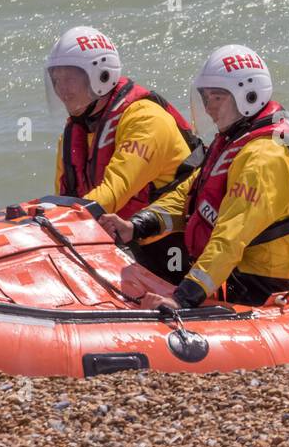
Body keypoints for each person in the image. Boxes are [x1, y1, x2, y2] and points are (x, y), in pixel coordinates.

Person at [101, 45, 289, 309]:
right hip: (238, 277)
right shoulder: (233, 140)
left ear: (249, 96)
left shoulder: (265, 157)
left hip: (271, 287)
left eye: (216, 98)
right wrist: (136, 226)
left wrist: (182, 298)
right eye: (205, 98)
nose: (208, 108)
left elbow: (230, 237)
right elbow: (188, 195)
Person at [46, 26, 201, 282]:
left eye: (70, 77)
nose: (61, 88)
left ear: (101, 75)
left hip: (168, 253)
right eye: (55, 78)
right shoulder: (74, 132)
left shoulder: (146, 120)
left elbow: (111, 195)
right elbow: (65, 200)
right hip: (116, 245)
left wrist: (54, 223)